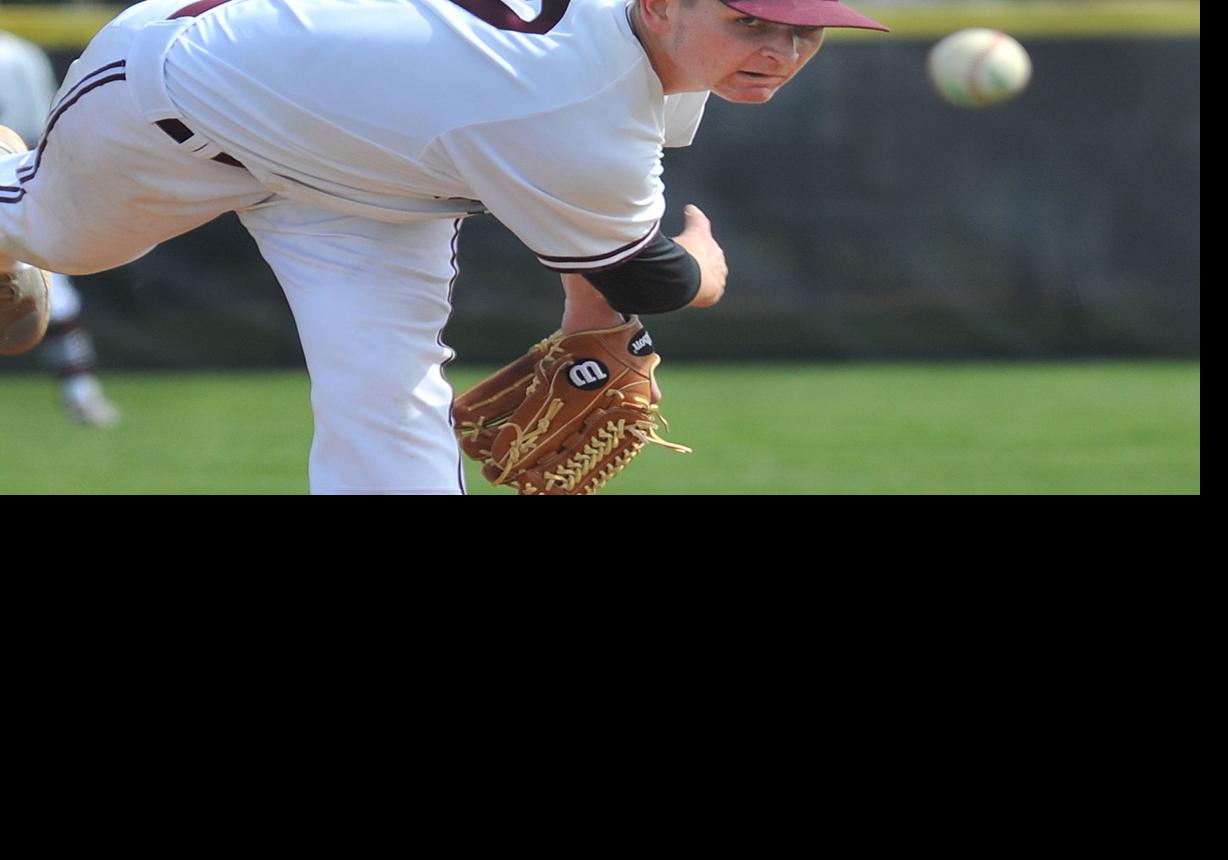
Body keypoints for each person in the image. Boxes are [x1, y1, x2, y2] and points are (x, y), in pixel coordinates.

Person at [0, 0, 886, 492]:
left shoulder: (652, 52)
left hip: (370, 180)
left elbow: (595, 235)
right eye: (752, 22)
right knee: (54, 240)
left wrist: (590, 318)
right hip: (186, 98)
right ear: (660, 5)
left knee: (384, 398)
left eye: (804, 29)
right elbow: (646, 271)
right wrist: (702, 272)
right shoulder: (565, 95)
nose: (781, 49)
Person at [0, 23, 121, 426]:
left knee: (56, 295)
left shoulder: (17, 56)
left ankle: (81, 393)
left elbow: (37, 134)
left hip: (10, 179)